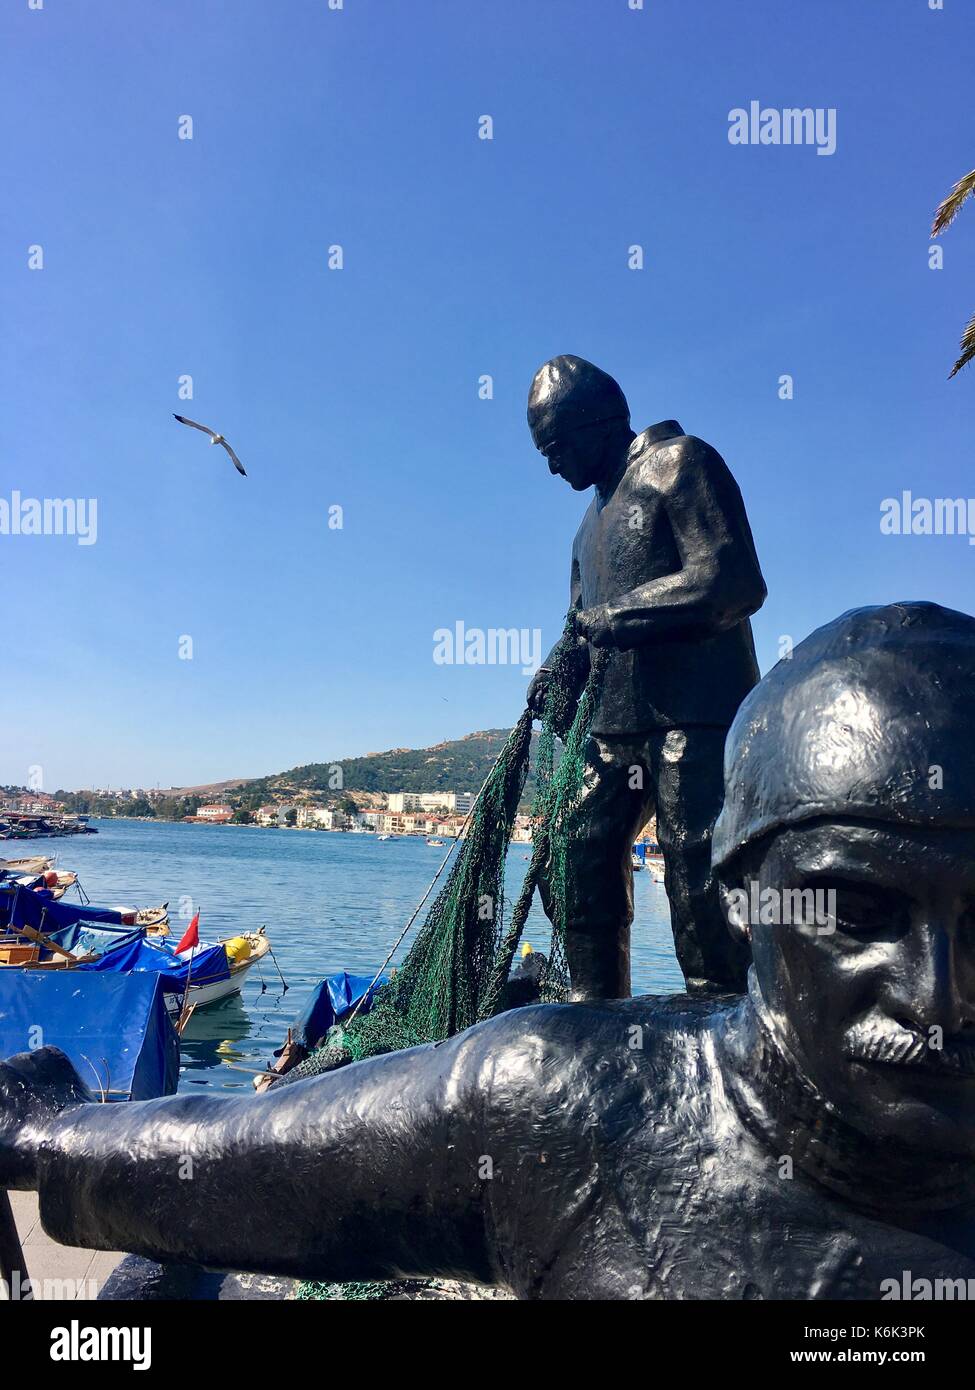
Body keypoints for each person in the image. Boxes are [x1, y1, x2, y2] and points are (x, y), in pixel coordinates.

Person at [3, 602, 975, 1300]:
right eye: (858, 909)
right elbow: (245, 1166)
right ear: (741, 898)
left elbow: (725, 580)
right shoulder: (562, 1104)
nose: (944, 997)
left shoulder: (677, 474)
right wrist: (49, 1133)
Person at [525, 356, 766, 997]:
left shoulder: (682, 463)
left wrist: (617, 616)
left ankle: (719, 1014)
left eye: (554, 448)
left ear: (594, 424)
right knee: (575, 857)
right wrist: (557, 672)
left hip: (694, 713)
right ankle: (593, 1018)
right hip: (611, 726)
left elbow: (732, 580)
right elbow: (581, 625)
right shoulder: (585, 530)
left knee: (697, 869)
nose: (551, 466)